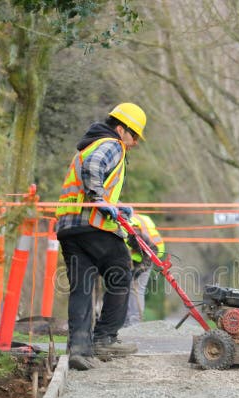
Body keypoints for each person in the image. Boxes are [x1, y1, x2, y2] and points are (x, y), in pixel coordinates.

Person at [55, 103, 146, 371]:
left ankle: (80, 350)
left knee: (82, 288)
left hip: (69, 228)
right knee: (121, 271)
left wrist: (116, 207)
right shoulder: (111, 144)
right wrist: (99, 199)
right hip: (93, 224)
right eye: (134, 136)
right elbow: (95, 169)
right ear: (121, 129)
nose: (135, 143)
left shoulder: (88, 146)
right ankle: (105, 337)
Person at [124, 213, 165, 327]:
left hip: (147, 257)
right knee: (130, 289)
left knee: (135, 289)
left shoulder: (129, 227)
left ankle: (134, 323)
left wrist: (142, 268)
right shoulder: (134, 219)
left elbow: (152, 250)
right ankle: (129, 322)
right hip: (144, 255)